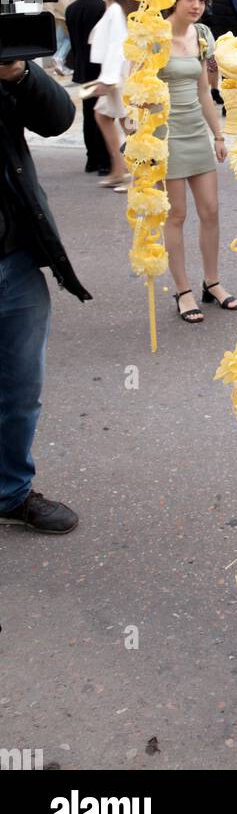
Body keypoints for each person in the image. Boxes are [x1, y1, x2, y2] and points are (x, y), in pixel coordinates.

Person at [0, 56, 89, 534]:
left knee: (20, 389)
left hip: (12, 259)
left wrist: (20, 73)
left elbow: (58, 119)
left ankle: (11, 491)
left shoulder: (6, 69)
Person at [159, 0, 237, 322]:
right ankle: (183, 290)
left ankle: (212, 282)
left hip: (196, 131)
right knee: (176, 215)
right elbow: (137, 88)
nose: (196, 6)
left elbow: (205, 91)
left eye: (202, 0)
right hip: (166, 136)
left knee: (210, 210)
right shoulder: (152, 37)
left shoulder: (202, 35)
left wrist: (218, 135)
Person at [87, 0, 133, 190]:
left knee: (128, 124)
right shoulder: (115, 7)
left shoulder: (116, 10)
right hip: (115, 73)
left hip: (118, 75)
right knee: (103, 115)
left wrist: (108, 79)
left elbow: (117, 45)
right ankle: (119, 169)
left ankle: (134, 172)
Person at [64, 0, 110, 175]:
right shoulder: (102, 7)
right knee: (103, 114)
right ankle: (104, 162)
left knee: (89, 115)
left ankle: (91, 159)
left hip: (82, 69)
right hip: (100, 69)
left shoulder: (71, 8)